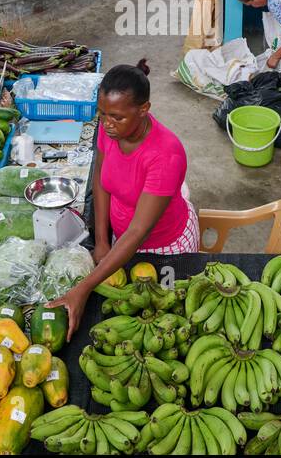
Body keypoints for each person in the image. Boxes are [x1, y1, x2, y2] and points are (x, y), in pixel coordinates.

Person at [46, 61, 198, 338]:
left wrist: (83, 288)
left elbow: (139, 231)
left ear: (143, 110)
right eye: (102, 114)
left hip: (166, 246)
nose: (107, 124)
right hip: (121, 241)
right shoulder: (110, 128)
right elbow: (102, 181)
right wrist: (102, 240)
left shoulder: (166, 155)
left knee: (162, 323)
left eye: (116, 117)